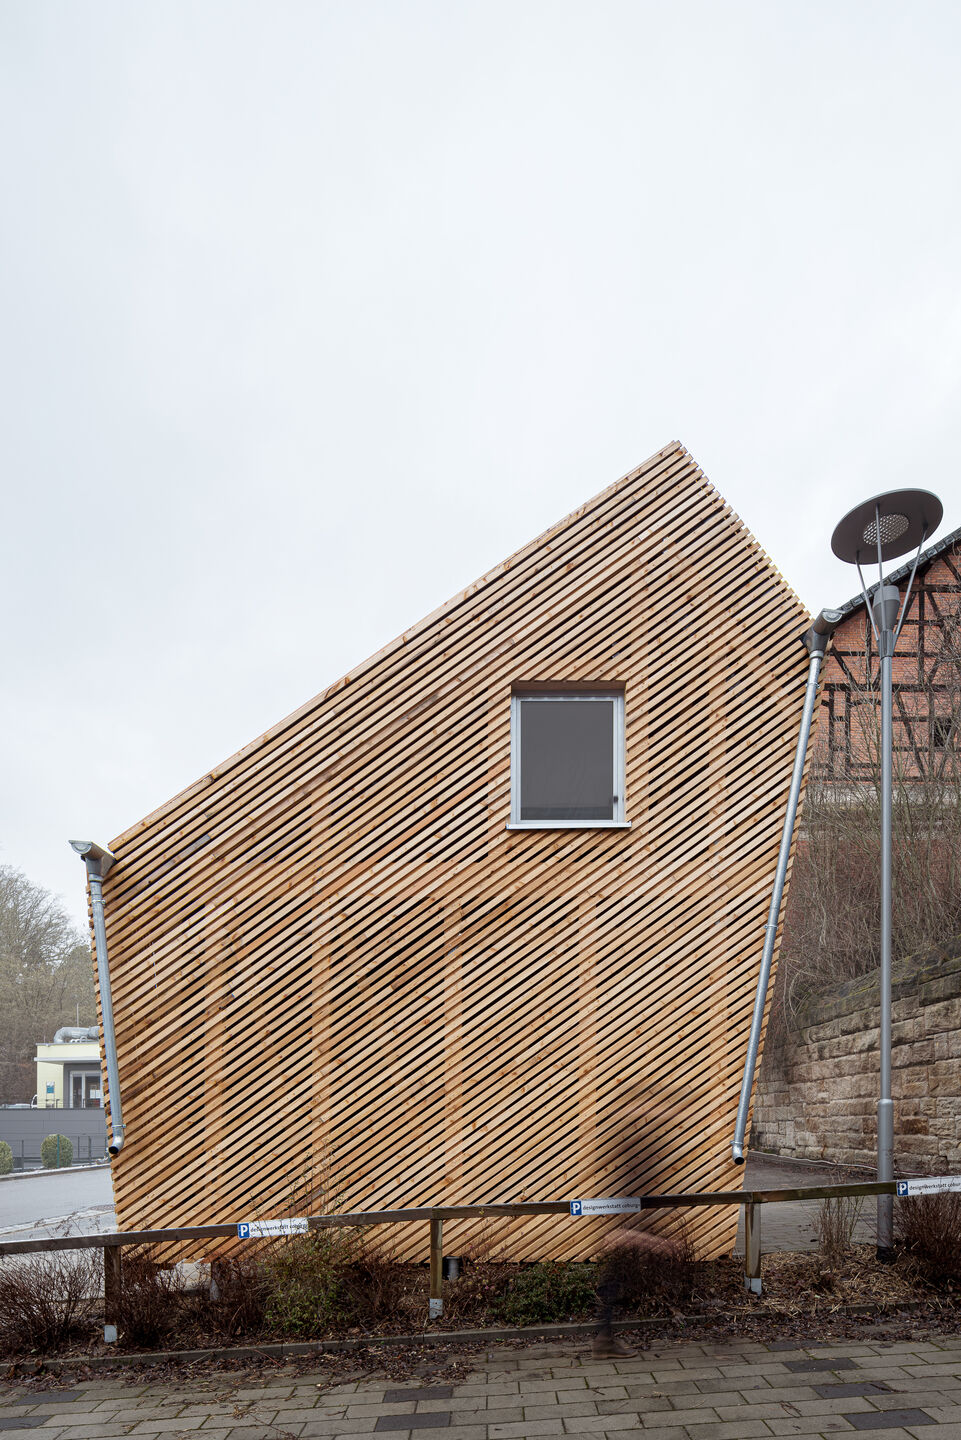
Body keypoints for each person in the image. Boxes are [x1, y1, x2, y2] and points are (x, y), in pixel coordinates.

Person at [592, 1226, 675, 1359]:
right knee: (609, 1291)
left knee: (609, 1294)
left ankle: (603, 1343)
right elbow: (618, 1234)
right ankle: (603, 1344)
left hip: (615, 1258)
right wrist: (660, 1244)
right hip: (613, 1256)